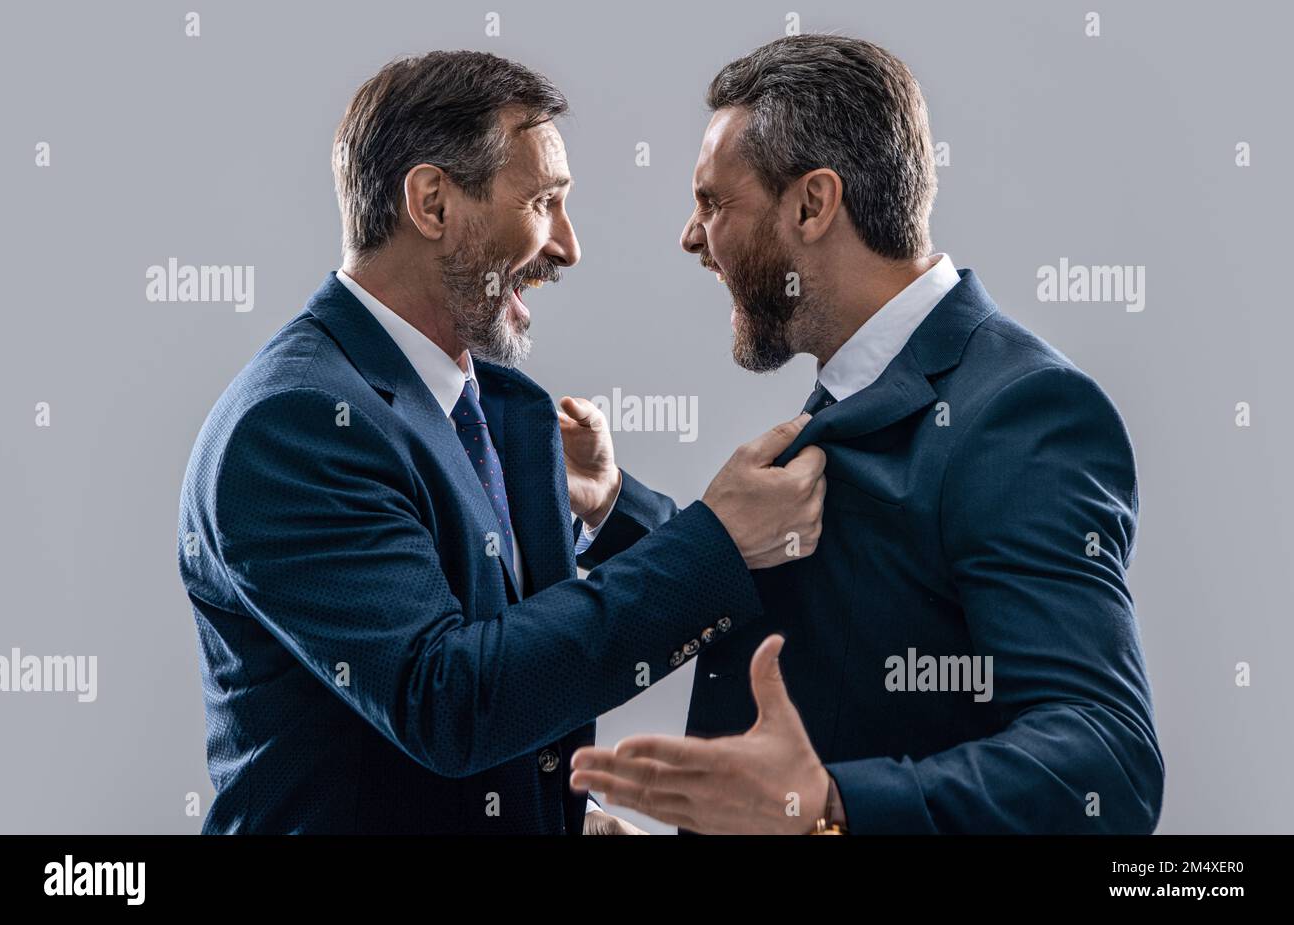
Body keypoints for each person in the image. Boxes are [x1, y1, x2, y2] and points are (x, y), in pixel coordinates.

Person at [176, 50, 825, 835]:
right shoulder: (292, 425)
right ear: (433, 203)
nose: (568, 246)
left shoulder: (504, 409)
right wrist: (712, 539)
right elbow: (451, 701)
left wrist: (616, 506)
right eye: (545, 201)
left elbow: (525, 681)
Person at [571, 34, 1164, 835]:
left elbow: (1105, 760)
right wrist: (613, 504)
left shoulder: (1022, 410)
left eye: (713, 202)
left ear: (813, 204)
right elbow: (821, 595)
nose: (691, 236)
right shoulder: (859, 383)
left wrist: (830, 808)